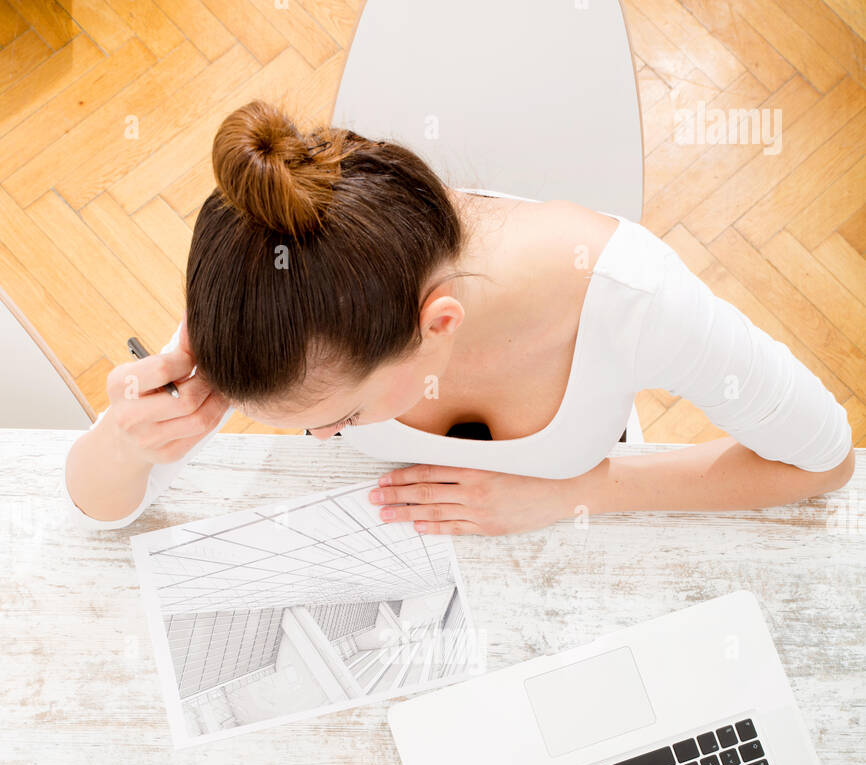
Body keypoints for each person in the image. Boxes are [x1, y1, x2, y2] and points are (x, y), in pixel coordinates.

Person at [64, 101, 854, 537]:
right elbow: (99, 509)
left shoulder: (634, 300)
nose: (323, 439)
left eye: (340, 418)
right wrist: (123, 438)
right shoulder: (281, 281)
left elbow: (824, 461)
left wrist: (579, 492)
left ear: (436, 325)